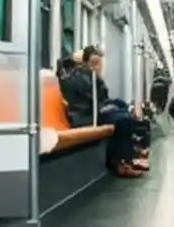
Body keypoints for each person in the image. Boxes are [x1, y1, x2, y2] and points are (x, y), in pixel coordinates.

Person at [61, 46, 149, 178]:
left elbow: (100, 100)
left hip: (92, 112)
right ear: (91, 63)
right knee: (123, 119)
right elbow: (94, 101)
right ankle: (122, 162)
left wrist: (115, 106)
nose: (100, 67)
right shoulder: (84, 78)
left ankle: (129, 154)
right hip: (84, 117)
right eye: (98, 64)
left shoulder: (88, 77)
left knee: (121, 108)